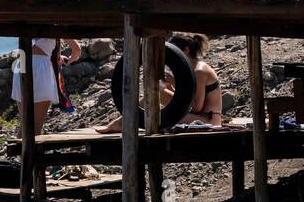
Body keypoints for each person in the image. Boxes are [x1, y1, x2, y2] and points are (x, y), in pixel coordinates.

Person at [93, 32, 221, 132]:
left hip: (207, 121)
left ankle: (122, 122)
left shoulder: (200, 70)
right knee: (156, 90)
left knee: (157, 91)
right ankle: (122, 122)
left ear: (186, 50)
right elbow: (188, 102)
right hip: (200, 118)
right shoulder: (193, 69)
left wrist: (173, 84)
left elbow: (196, 107)